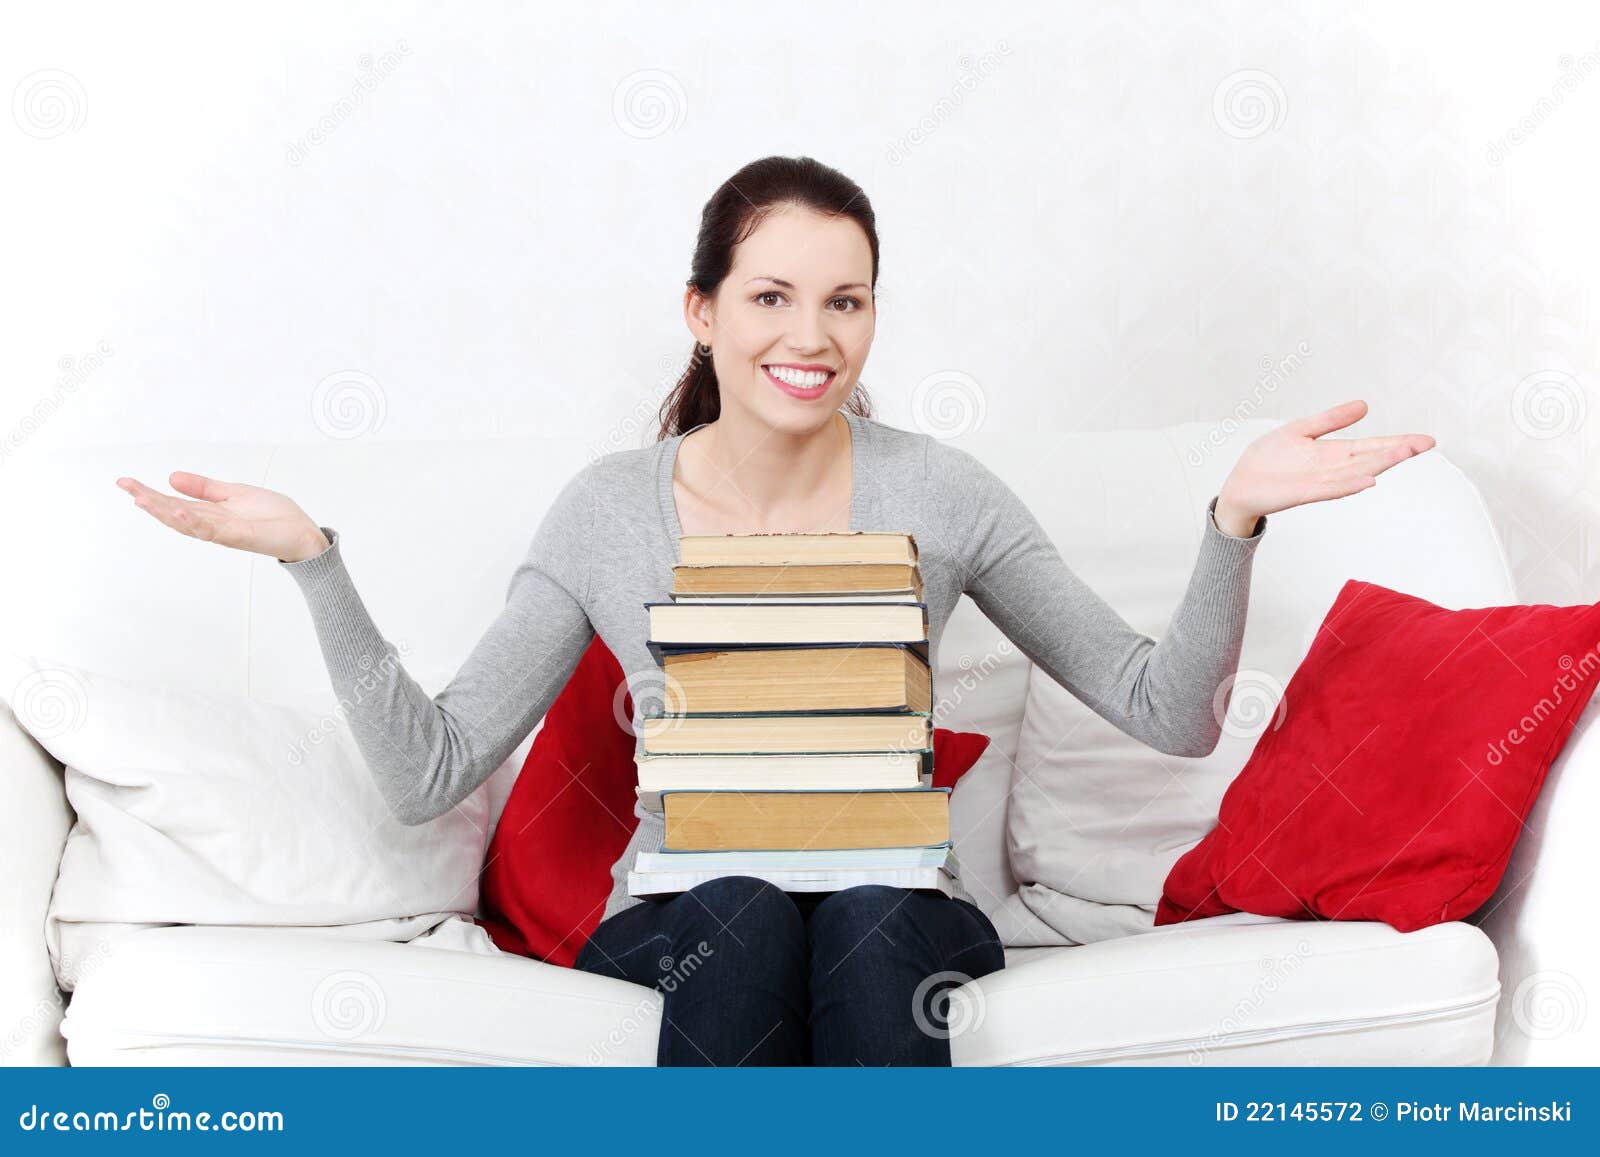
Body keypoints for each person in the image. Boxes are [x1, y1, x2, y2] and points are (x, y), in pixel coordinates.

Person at [114, 154, 1435, 1066]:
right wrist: (314, 560)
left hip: (900, 909)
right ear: (702, 312)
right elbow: (430, 769)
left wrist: (1232, 520)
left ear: (872, 318)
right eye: (771, 294)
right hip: (686, 920)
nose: (812, 334)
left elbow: (1166, 711)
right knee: (744, 908)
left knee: (858, 917)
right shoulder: (607, 510)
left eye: (845, 299)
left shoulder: (942, 489)